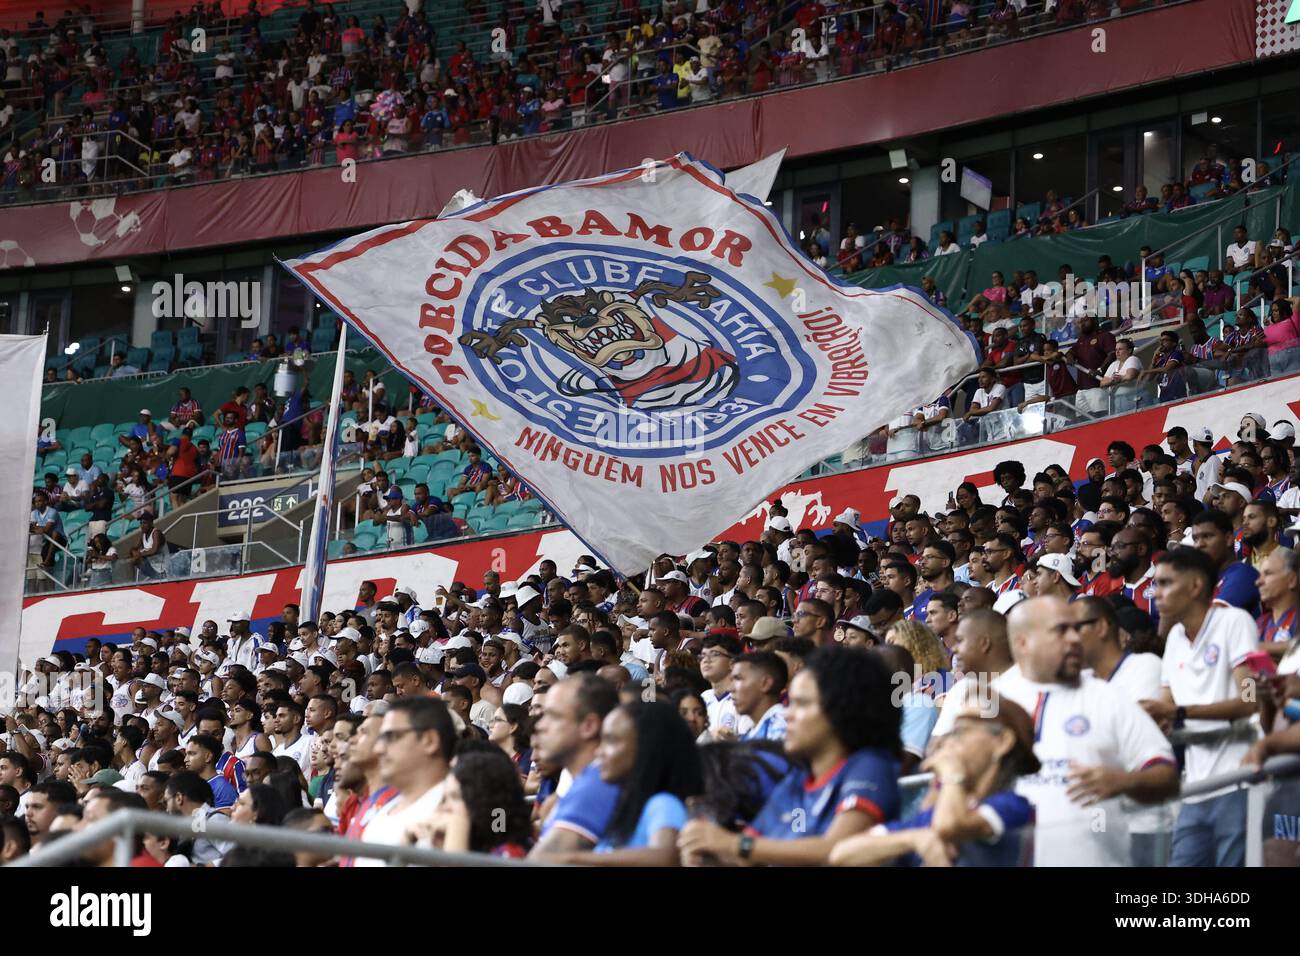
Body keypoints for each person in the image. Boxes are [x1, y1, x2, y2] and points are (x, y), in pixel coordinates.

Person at [993, 596, 1178, 866]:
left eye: (1077, 629)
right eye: (1061, 630)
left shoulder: (1108, 698)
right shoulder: (994, 703)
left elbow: (1167, 776)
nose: (1074, 639)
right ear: (1023, 643)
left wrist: (1122, 781)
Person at [678, 646, 901, 866]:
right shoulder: (798, 782)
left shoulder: (869, 765)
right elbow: (763, 848)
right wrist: (707, 851)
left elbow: (835, 850)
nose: (788, 714)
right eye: (791, 703)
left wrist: (734, 845)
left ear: (842, 709)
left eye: (801, 704)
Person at [1140, 547, 1260, 867]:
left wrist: (1179, 714)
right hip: (1194, 785)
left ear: (1195, 586)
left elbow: (1250, 700)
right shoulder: (1176, 637)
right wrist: (1148, 716)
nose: (1156, 593)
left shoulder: (1235, 621)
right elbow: (1166, 703)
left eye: (1165, 583)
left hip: (1237, 780)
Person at [830, 695, 1038, 866]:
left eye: (961, 730)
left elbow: (948, 826)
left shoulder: (1013, 806)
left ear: (1002, 742)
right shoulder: (929, 819)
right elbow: (841, 854)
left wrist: (951, 774)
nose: (948, 741)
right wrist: (913, 839)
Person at [546, 701, 703, 865]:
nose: (599, 752)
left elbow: (665, 856)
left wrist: (570, 858)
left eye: (611, 741)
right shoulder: (624, 807)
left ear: (645, 748)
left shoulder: (663, 803)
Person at [528, 674, 621, 860]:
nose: (539, 726)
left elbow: (539, 862)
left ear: (589, 726)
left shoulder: (597, 783)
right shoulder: (578, 779)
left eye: (553, 716)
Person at [356, 697, 454, 864]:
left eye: (391, 737)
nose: (378, 749)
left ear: (429, 740)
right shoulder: (382, 811)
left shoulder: (456, 812)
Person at [413, 749, 533, 857]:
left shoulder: (510, 854)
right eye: (445, 798)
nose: (443, 807)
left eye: (455, 797)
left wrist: (457, 828)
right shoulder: (474, 844)